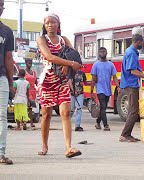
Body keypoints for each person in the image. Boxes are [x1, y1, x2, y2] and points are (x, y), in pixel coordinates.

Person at [37, 13, 82, 158]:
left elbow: (74, 55)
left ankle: (68, 148)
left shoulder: (64, 40)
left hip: (62, 80)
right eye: (48, 23)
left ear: (59, 24)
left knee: (65, 113)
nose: (50, 25)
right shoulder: (41, 39)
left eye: (53, 22)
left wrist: (69, 67)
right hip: (47, 81)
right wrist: (69, 64)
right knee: (46, 115)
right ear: (44, 25)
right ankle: (44, 145)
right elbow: (49, 56)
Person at [119, 32, 144, 142]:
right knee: (133, 110)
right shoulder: (131, 52)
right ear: (138, 42)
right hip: (130, 84)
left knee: (134, 109)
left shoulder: (131, 51)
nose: (143, 45)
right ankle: (125, 135)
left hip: (130, 83)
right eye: (142, 42)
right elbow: (133, 71)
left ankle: (127, 134)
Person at [90, 47, 120, 131]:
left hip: (108, 89)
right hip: (99, 89)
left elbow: (114, 77)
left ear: (107, 53)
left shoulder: (111, 65)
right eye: (101, 51)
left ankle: (97, 122)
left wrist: (118, 87)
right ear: (98, 53)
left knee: (103, 107)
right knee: (103, 107)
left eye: (104, 51)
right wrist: (91, 91)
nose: (102, 53)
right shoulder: (96, 65)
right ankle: (106, 125)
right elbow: (93, 78)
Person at [0, 0, 14, 164]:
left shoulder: (7, 31)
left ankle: (1, 152)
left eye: (2, 4)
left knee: (2, 116)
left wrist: (11, 83)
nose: (0, 7)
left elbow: (8, 58)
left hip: (1, 78)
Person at [24, 58, 37, 128]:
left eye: (31, 63)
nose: (30, 65)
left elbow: (36, 82)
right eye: (29, 63)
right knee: (25, 107)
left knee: (31, 108)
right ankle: (25, 123)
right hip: (26, 91)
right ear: (26, 63)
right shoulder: (24, 72)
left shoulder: (34, 73)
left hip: (33, 92)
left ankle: (31, 123)